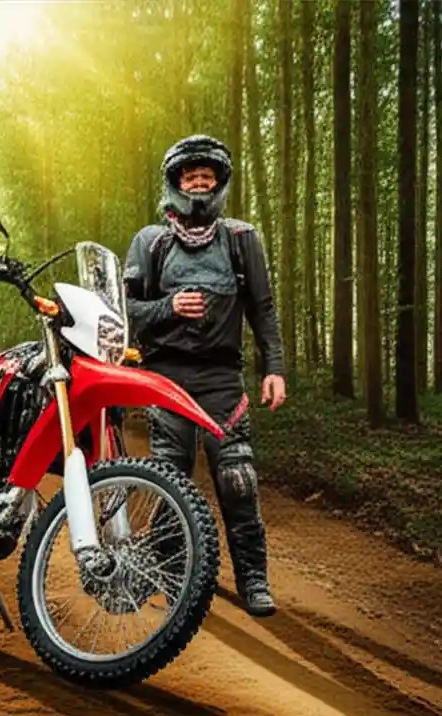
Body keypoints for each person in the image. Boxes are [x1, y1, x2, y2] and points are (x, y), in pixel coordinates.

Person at [123, 134, 286, 617]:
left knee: (237, 479)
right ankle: (173, 576)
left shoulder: (241, 239)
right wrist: (169, 306)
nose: (198, 183)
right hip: (166, 377)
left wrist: (274, 368)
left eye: (206, 176)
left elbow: (263, 307)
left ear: (218, 184)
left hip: (222, 378)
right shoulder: (150, 243)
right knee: (170, 481)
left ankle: (253, 578)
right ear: (175, 182)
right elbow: (126, 310)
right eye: (190, 176)